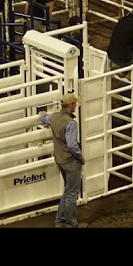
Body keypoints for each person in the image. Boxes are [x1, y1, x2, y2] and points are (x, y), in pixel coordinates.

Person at [37, 93, 84, 228]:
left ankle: (60, 221)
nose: (76, 106)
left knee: (68, 190)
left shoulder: (54, 117)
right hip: (70, 160)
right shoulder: (71, 123)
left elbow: (44, 118)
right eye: (74, 104)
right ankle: (70, 224)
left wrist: (42, 114)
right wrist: (81, 157)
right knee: (72, 194)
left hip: (60, 159)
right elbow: (72, 145)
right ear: (70, 106)